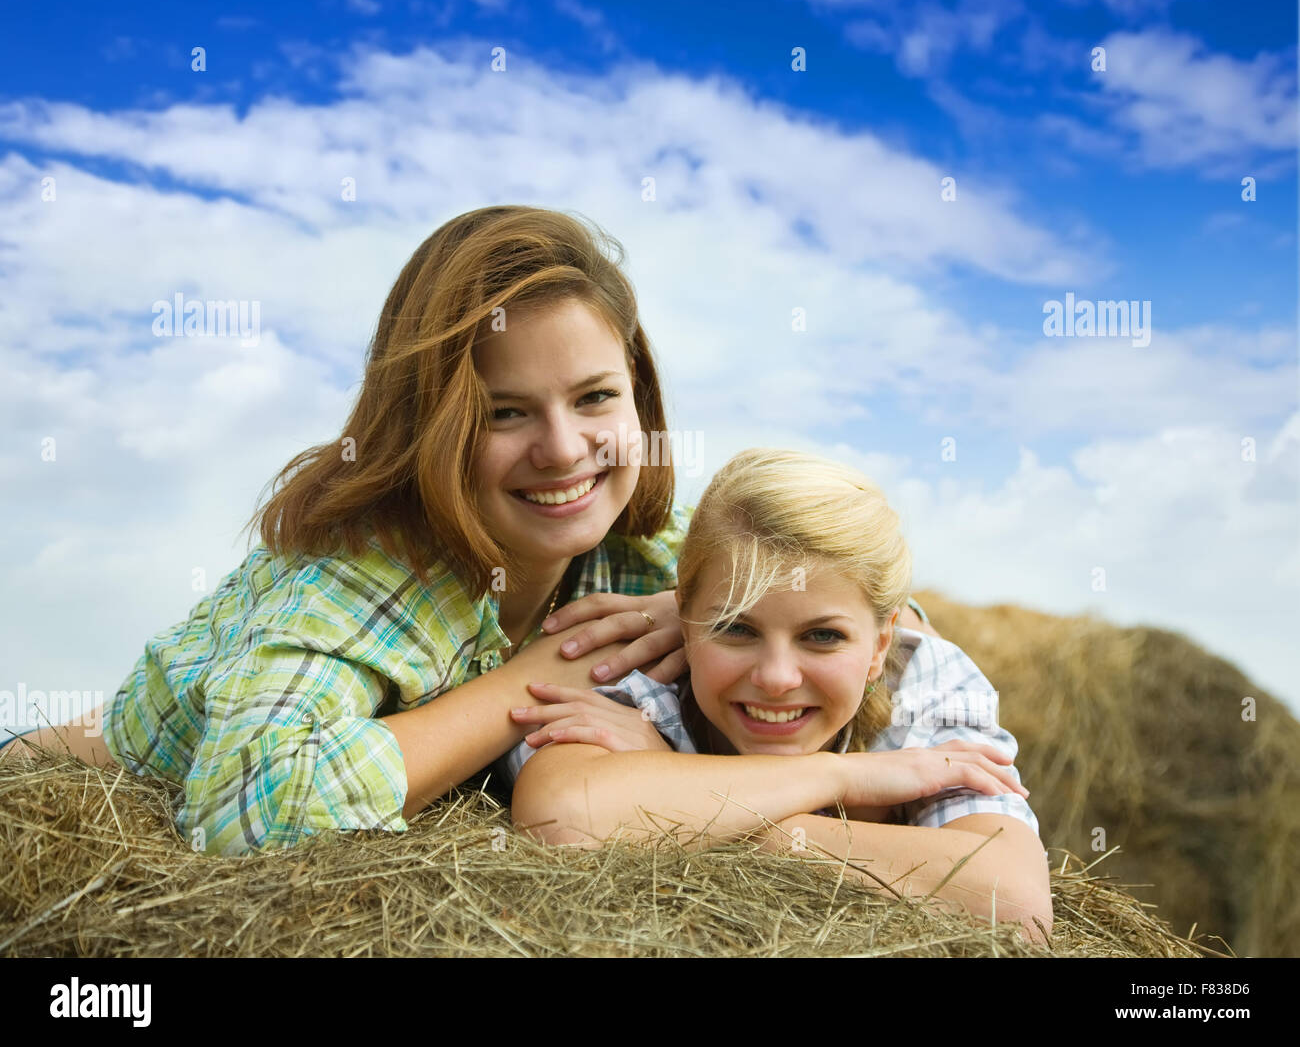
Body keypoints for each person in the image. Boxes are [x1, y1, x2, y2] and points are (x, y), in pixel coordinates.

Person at [0, 207, 695, 855]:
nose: (565, 448)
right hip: (64, 761)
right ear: (427, 420)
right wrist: (528, 684)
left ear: (637, 388)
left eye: (594, 396)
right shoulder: (372, 569)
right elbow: (250, 806)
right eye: (504, 412)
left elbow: (800, 585)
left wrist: (710, 611)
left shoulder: (650, 557)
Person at [505, 448, 1053, 944]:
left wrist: (673, 796)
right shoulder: (645, 674)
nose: (776, 678)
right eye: (736, 629)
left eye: (823, 636)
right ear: (684, 622)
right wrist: (840, 776)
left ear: (880, 644)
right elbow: (561, 817)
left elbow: (1015, 905)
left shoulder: (925, 682)